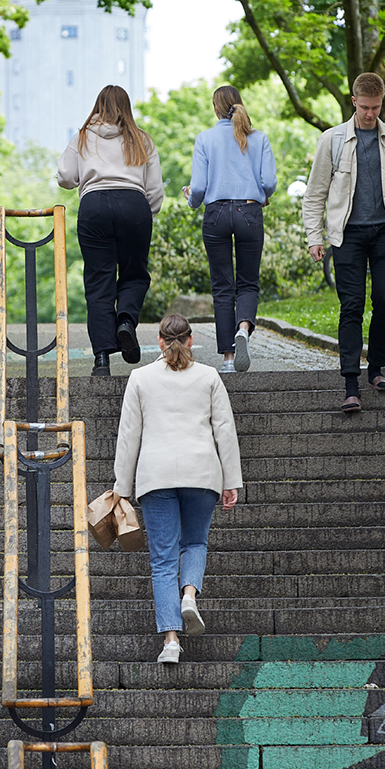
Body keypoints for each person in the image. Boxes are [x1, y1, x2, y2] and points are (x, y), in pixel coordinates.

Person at [112, 315, 241, 665]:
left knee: (163, 559)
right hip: (202, 474)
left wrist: (121, 487)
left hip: (156, 477)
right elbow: (224, 431)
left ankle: (171, 641)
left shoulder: (140, 378)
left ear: (159, 341)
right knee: (195, 542)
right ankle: (189, 595)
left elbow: (129, 437)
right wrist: (232, 481)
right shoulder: (209, 377)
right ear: (191, 339)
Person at [302, 72, 385, 415]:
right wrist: (315, 237)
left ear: (382, 103)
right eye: (365, 107)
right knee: (351, 306)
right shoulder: (332, 140)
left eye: (376, 108)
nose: (370, 114)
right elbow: (315, 194)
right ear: (354, 101)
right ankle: (350, 384)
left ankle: (376, 370)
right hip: (348, 235)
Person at [58, 84, 163, 376]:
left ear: (98, 105)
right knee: (134, 273)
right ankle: (125, 322)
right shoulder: (141, 139)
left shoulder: (82, 136)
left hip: (94, 207)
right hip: (134, 205)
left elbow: (65, 177)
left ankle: (102, 358)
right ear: (126, 107)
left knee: (98, 281)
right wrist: (145, 216)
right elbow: (154, 190)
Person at [186, 85, 278, 374]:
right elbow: (270, 181)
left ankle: (227, 358)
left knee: (222, 286)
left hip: (216, 213)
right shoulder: (259, 138)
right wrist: (260, 195)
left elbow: (199, 187)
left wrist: (192, 200)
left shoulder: (205, 139)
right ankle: (243, 327)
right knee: (248, 282)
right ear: (239, 104)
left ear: (216, 108)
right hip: (249, 211)